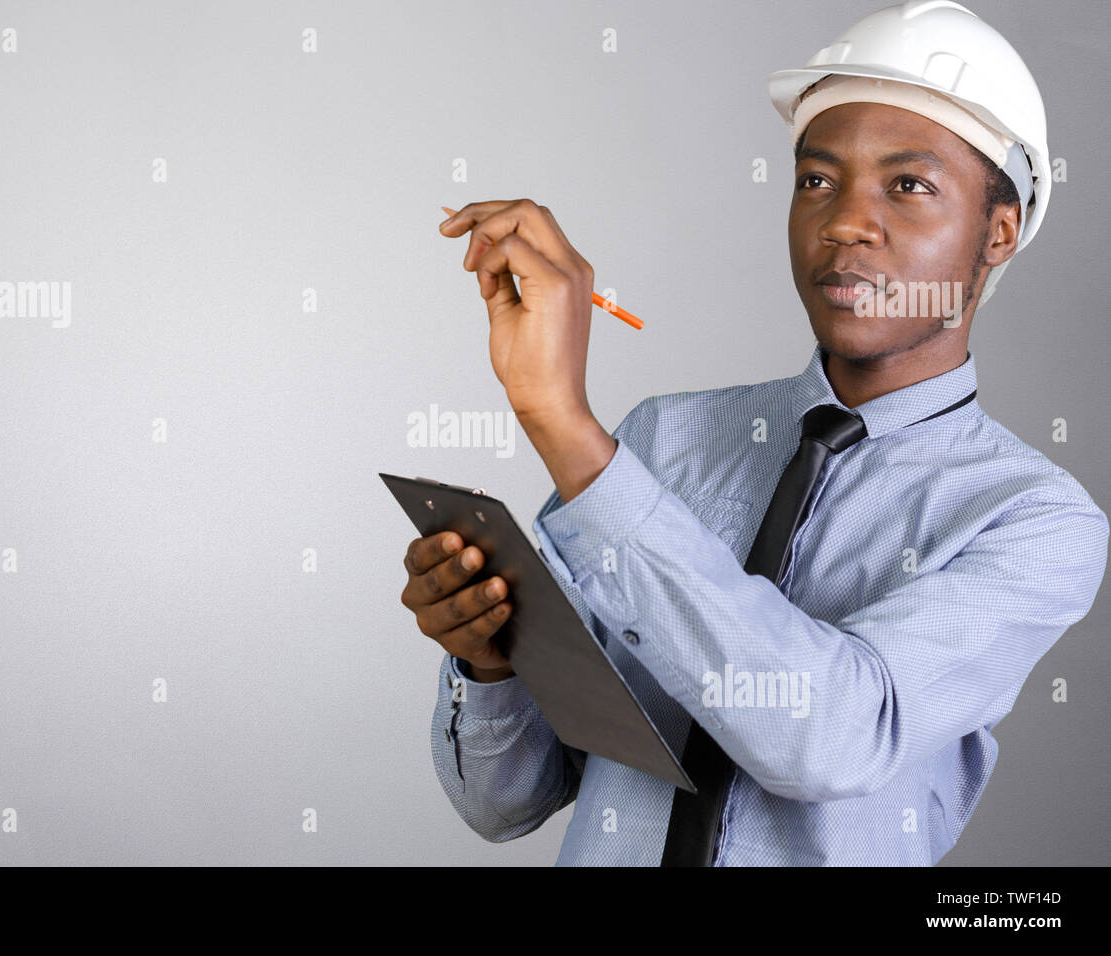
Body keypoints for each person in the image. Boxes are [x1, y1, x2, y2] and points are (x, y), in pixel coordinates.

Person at [400, 0, 1108, 865]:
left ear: (1000, 232)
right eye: (817, 179)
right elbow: (503, 804)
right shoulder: (663, 441)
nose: (846, 219)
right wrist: (490, 663)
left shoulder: (1035, 521)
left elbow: (833, 736)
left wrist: (564, 428)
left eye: (909, 185)